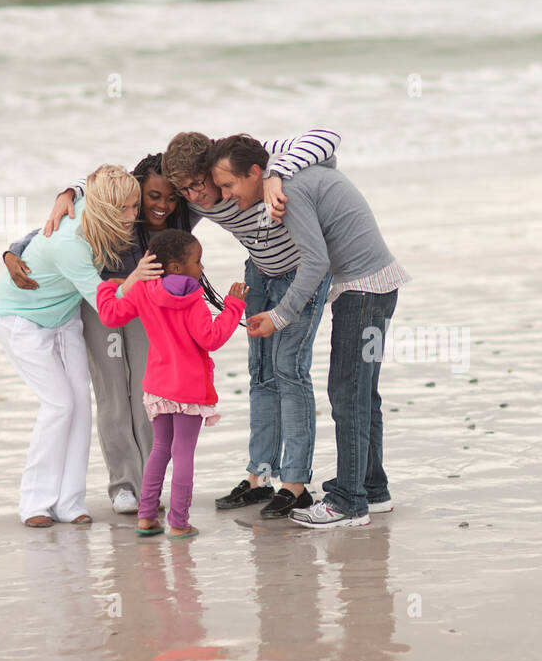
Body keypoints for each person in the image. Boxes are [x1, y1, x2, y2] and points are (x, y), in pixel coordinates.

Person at [44, 129, 339, 520]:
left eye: (185, 190)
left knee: (280, 373)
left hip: (261, 279)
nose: (179, 200)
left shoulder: (213, 185)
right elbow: (105, 185)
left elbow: (322, 140)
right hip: (129, 295)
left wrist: (273, 175)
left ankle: (282, 484)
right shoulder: (150, 200)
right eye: (165, 194)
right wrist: (70, 191)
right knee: (121, 393)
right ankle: (143, 485)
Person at [3, 154, 227, 516]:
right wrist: (15, 248)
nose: (161, 206)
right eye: (153, 196)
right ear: (138, 189)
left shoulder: (183, 212)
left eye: (171, 198)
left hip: (147, 309)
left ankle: (148, 485)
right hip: (98, 304)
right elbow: (54, 228)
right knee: (111, 395)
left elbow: (207, 183)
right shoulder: (118, 205)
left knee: (146, 391)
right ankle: (123, 485)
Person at [209, 134, 411, 529]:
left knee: (347, 396)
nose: (226, 195)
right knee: (362, 395)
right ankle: (373, 490)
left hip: (364, 291)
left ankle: (348, 505)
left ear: (255, 172)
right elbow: (327, 156)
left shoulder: (290, 192)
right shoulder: (288, 175)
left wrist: (279, 316)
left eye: (229, 185)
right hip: (377, 285)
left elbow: (315, 264)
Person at [0, 165, 161, 527]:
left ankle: (69, 502)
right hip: (23, 317)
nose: (135, 215)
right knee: (59, 403)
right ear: (106, 209)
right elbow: (110, 312)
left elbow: (88, 184)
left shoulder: (92, 210)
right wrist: (136, 278)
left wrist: (69, 190)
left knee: (80, 403)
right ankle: (34, 502)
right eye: (126, 209)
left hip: (64, 315)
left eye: (134, 206)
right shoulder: (72, 244)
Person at [96, 229, 248, 540]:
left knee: (160, 450)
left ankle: (147, 517)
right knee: (183, 454)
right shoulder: (191, 300)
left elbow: (110, 316)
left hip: (156, 387)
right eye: (197, 261)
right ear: (177, 268)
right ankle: (179, 521)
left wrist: (108, 287)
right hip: (189, 390)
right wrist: (233, 306)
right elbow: (212, 338)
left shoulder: (142, 291)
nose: (201, 268)